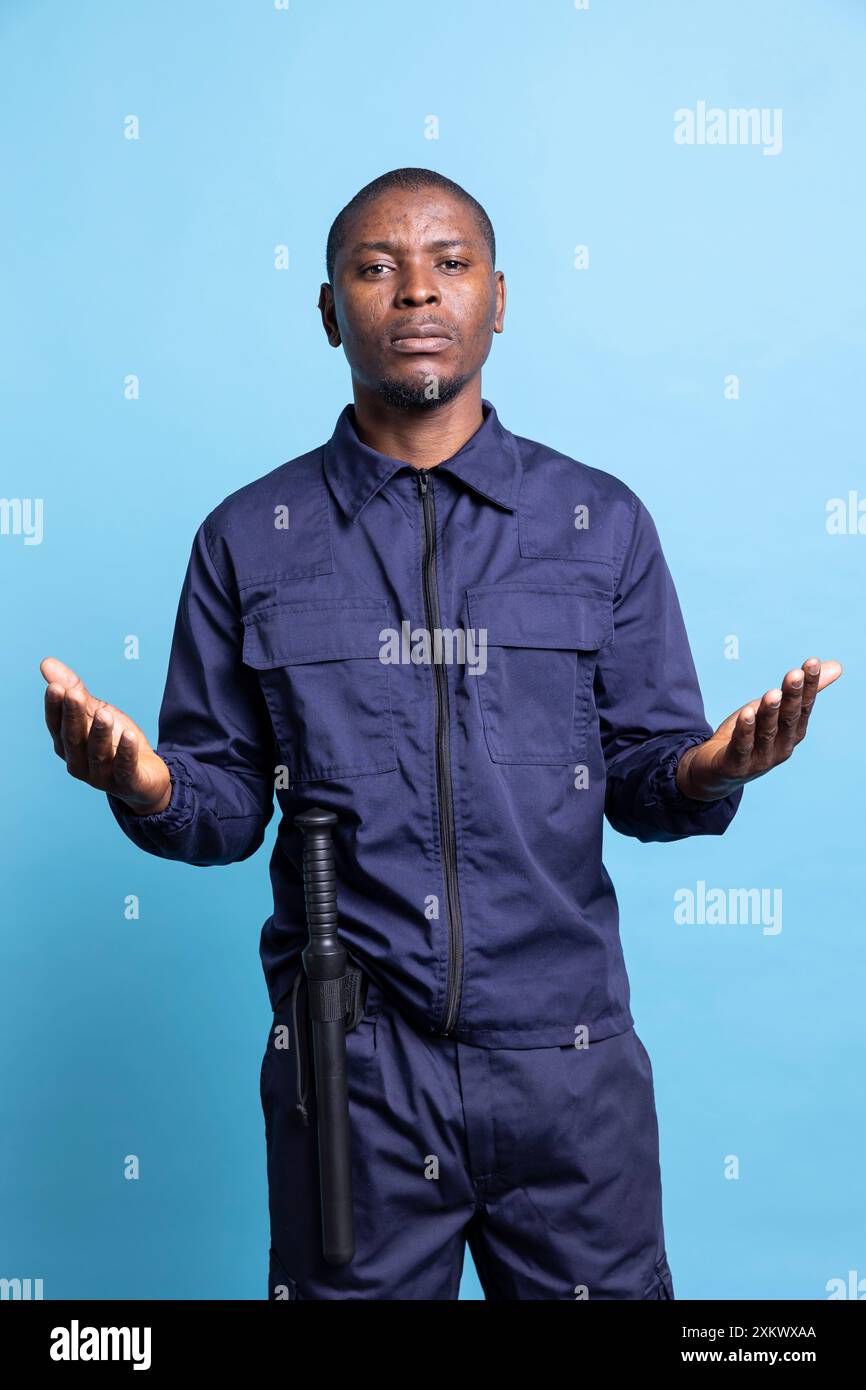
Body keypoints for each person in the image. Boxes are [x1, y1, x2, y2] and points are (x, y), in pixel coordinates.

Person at [40, 168, 842, 1301]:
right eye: (375, 268)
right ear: (328, 312)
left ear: (498, 298)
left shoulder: (598, 524)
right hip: (354, 1078)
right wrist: (144, 779)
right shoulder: (247, 539)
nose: (415, 290)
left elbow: (643, 779)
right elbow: (221, 809)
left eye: (449, 263)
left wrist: (709, 765)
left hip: (568, 1070)